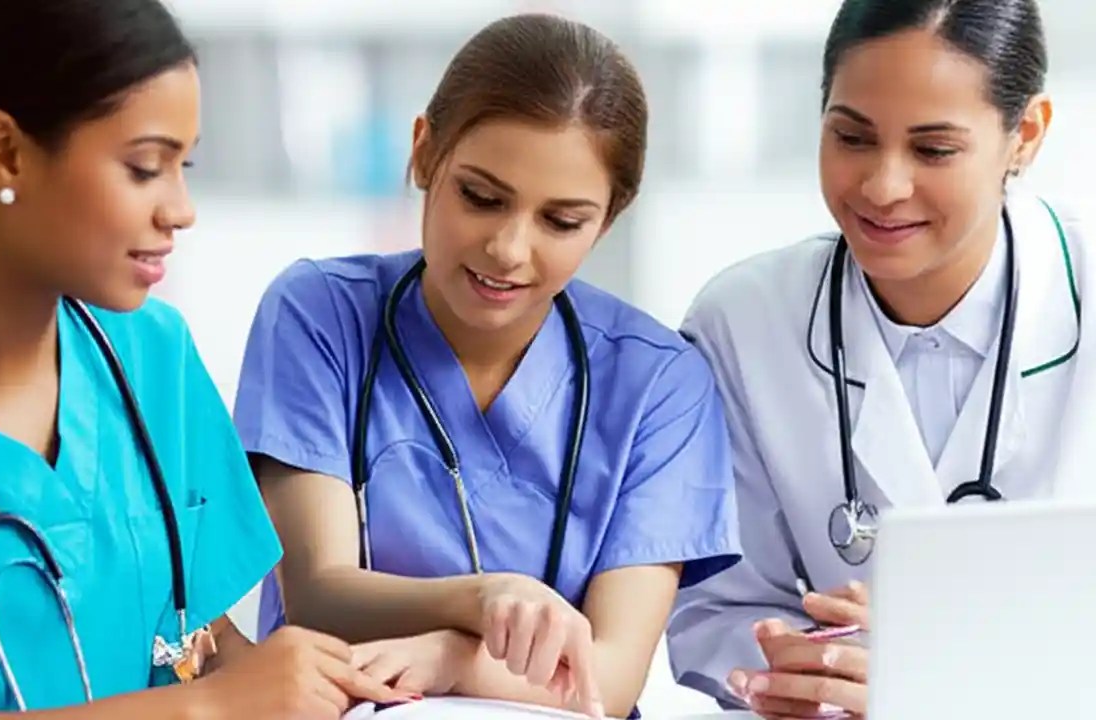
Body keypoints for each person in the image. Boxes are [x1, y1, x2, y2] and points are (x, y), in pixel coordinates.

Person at [0, 1, 409, 718]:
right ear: (5, 152)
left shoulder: (151, 353)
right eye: (145, 167)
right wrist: (209, 709)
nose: (181, 208)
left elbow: (193, 637)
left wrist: (306, 689)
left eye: (184, 164)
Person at [231, 13, 742, 720]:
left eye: (561, 222)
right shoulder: (319, 313)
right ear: (422, 153)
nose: (507, 248)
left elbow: (611, 676)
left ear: (609, 217)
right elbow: (318, 593)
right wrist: (483, 599)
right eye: (481, 196)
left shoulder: (659, 383)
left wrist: (450, 656)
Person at [665, 0, 1096, 717]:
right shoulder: (743, 325)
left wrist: (954, 672)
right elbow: (718, 611)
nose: (882, 186)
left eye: (933, 149)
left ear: (1024, 135)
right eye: (852, 137)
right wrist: (807, 671)